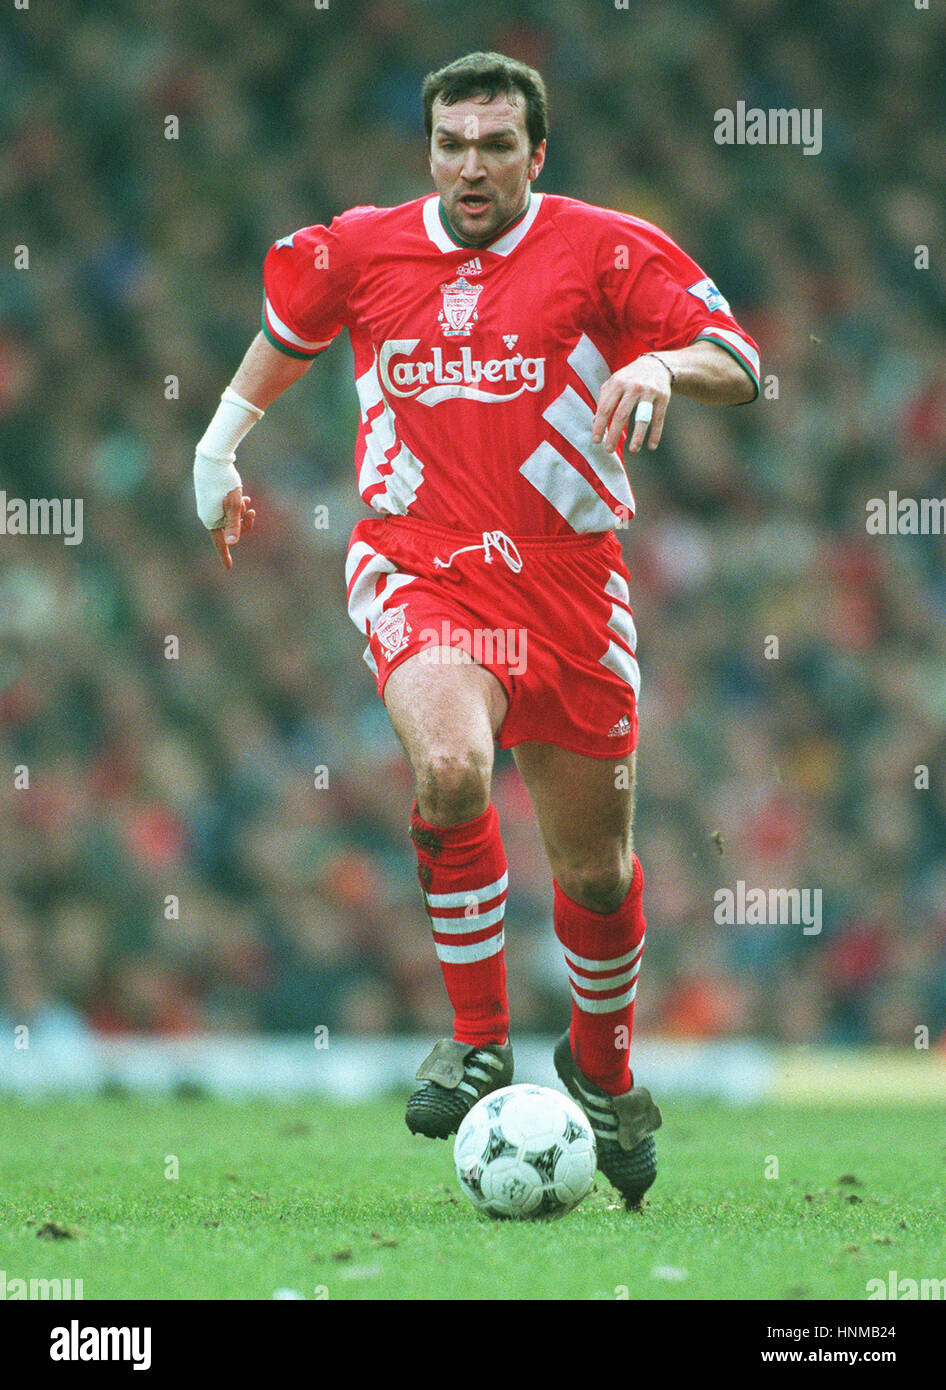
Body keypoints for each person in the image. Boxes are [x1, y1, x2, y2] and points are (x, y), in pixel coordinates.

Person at [193, 51, 760, 1209]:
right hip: (421, 568)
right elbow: (288, 326)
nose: (470, 166)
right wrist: (216, 443)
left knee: (596, 876)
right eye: (452, 144)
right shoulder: (364, 245)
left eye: (495, 145)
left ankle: (600, 1071)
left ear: (535, 155)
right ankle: (477, 1037)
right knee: (449, 765)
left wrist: (659, 361)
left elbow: (740, 362)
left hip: (566, 583)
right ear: (429, 150)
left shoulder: (604, 247)